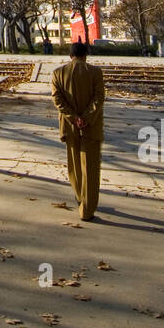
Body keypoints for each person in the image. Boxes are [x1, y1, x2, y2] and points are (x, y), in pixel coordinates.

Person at [51, 37, 105, 221]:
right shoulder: (96, 73)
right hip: (91, 126)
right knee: (90, 169)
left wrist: (74, 118)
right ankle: (87, 209)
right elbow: (98, 99)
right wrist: (86, 118)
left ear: (70, 55)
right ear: (85, 56)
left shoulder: (58, 73)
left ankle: (80, 197)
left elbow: (58, 100)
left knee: (74, 167)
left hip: (70, 126)